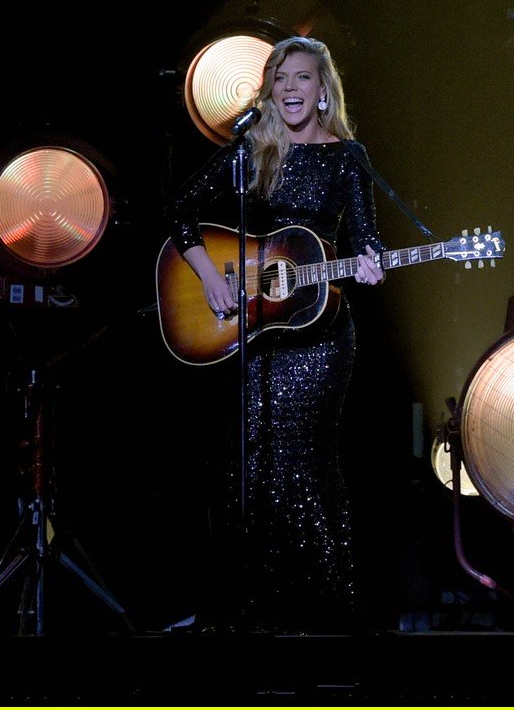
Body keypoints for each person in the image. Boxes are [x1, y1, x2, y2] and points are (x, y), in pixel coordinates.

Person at [162, 36, 385, 633]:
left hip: (321, 335)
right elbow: (181, 210)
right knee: (248, 462)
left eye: (303, 77)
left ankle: (325, 613)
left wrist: (370, 260)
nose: (290, 88)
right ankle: (250, 608)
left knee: (305, 461)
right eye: (281, 78)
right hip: (260, 333)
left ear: (323, 90)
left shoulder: (348, 156)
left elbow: (367, 237)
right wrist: (210, 277)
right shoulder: (251, 151)